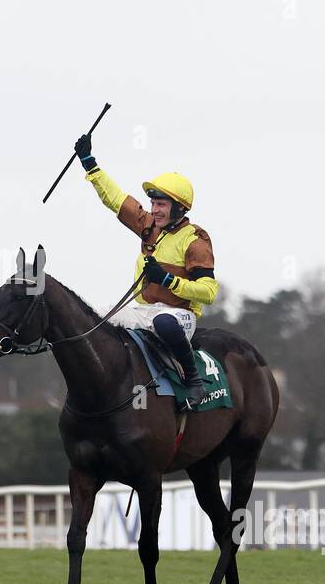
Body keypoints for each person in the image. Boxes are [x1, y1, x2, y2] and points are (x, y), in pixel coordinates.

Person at [75, 133, 219, 405]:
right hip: (143, 311)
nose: (154, 210)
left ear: (178, 208)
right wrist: (89, 163)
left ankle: (193, 379)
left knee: (163, 321)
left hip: (179, 316)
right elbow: (116, 200)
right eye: (153, 203)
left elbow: (209, 292)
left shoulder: (195, 241)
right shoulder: (149, 226)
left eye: (161, 204)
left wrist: (168, 280)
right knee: (93, 317)